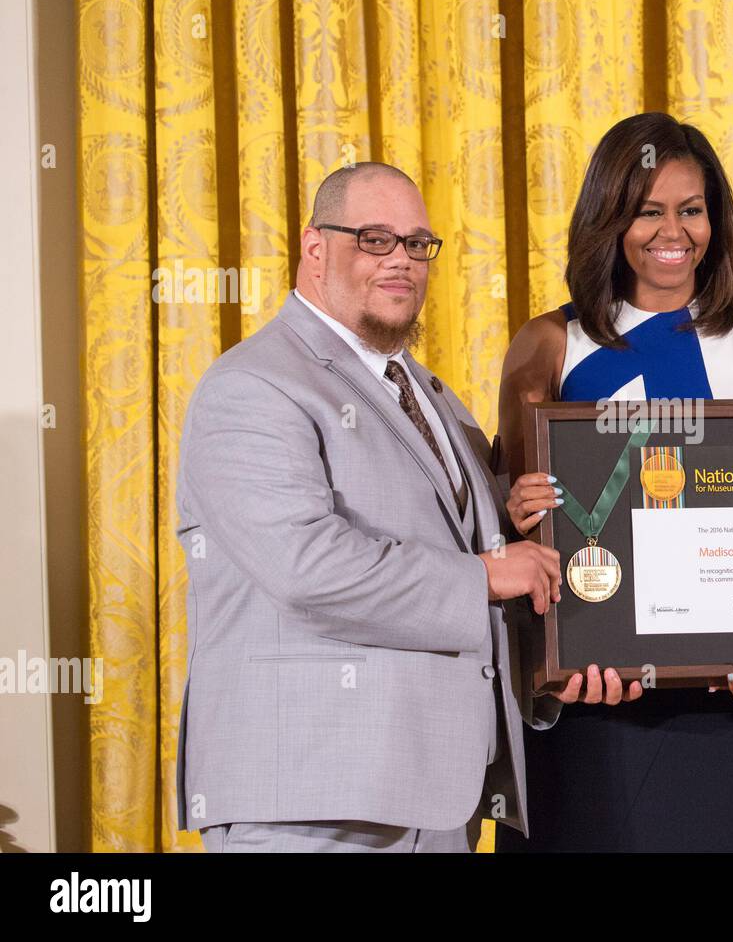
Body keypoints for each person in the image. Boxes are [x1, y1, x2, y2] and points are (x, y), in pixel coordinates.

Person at [175, 161, 561, 852]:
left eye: (417, 244)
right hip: (313, 804)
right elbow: (309, 568)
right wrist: (488, 572)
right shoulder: (253, 386)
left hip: (439, 795)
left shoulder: (430, 395)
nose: (403, 261)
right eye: (376, 239)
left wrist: (559, 662)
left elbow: (480, 561)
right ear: (314, 247)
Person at [493, 112, 733, 851]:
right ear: (610, 217)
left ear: (716, 220)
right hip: (590, 699)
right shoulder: (546, 343)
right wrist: (520, 507)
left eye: (692, 210)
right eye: (648, 210)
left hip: (728, 701)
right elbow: (513, 524)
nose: (675, 231)